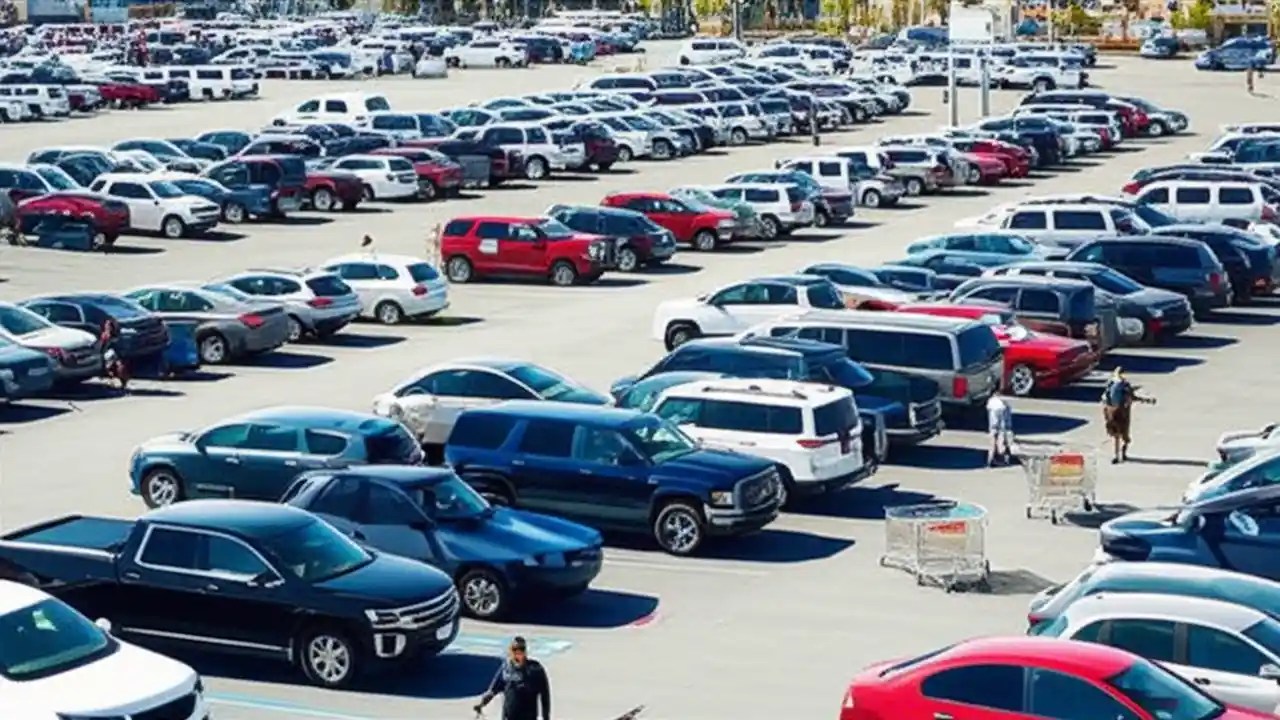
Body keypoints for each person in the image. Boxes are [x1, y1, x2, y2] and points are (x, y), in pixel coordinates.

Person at [474, 637, 551, 720]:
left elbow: (545, 695)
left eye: (521, 650)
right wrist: (482, 704)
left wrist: (545, 716)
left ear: (525, 652)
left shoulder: (535, 670)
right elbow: (493, 690)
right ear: (511, 651)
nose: (518, 653)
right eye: (514, 650)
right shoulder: (506, 669)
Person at [1101, 367, 1154, 464]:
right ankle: (1122, 454)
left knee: (1117, 436)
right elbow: (1132, 397)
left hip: (1112, 413)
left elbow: (1104, 398)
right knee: (1123, 435)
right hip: (1122, 413)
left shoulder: (1111, 384)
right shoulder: (1123, 385)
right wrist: (1146, 400)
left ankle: (1117, 455)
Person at [100, 317, 129, 392]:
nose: (108, 327)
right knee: (108, 366)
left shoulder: (118, 336)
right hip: (107, 355)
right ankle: (110, 382)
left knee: (120, 367)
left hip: (117, 355)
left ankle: (123, 384)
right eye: (107, 325)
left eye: (110, 325)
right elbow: (102, 347)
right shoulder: (104, 336)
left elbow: (120, 348)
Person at [986, 392, 1013, 466]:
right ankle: (1004, 454)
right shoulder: (1005, 403)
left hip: (994, 411)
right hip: (1002, 408)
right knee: (1004, 432)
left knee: (994, 432)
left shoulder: (991, 401)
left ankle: (991, 457)